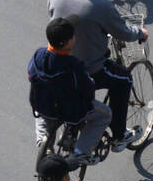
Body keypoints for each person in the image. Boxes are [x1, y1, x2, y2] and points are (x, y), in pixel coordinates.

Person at [48, 0, 149, 151]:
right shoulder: (101, 6)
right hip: (91, 69)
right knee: (123, 80)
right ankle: (120, 135)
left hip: (59, 65)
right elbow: (122, 32)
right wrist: (140, 32)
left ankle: (71, 127)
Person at [27, 17, 112, 163]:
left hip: (42, 105)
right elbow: (88, 88)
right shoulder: (73, 66)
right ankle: (81, 153)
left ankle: (43, 141)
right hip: (68, 111)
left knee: (44, 118)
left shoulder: (38, 55)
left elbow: (30, 74)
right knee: (104, 114)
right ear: (68, 42)